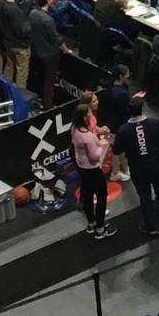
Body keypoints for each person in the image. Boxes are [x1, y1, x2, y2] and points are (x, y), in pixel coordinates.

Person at [113, 95, 159, 237]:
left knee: (145, 196)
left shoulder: (124, 130)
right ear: (142, 108)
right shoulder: (154, 124)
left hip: (138, 168)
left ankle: (150, 226)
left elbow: (116, 150)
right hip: (156, 164)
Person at [71, 102, 113, 239]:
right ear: (84, 117)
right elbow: (95, 157)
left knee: (88, 196)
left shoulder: (74, 129)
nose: (91, 115)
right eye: (88, 114)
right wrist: (102, 144)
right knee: (101, 197)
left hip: (82, 168)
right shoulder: (88, 137)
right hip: (93, 170)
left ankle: (91, 223)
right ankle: (100, 228)